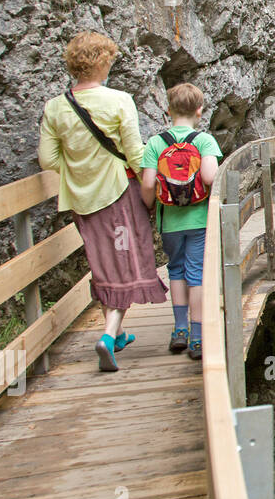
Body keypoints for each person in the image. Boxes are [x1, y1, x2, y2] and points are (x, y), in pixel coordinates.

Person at [38, 32, 167, 372]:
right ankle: (108, 335)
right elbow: (136, 153)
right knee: (125, 260)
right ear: (102, 62)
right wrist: (149, 187)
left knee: (102, 260)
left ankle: (118, 333)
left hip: (81, 199)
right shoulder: (119, 100)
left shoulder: (55, 107)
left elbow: (48, 159)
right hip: (118, 192)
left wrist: (80, 171)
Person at [140, 83, 222, 360]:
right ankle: (198, 337)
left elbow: (148, 183)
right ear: (200, 111)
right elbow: (210, 177)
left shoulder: (155, 143)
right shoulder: (204, 141)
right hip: (198, 219)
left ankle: (179, 331)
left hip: (170, 221)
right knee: (196, 273)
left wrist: (150, 206)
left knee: (175, 270)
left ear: (168, 110)